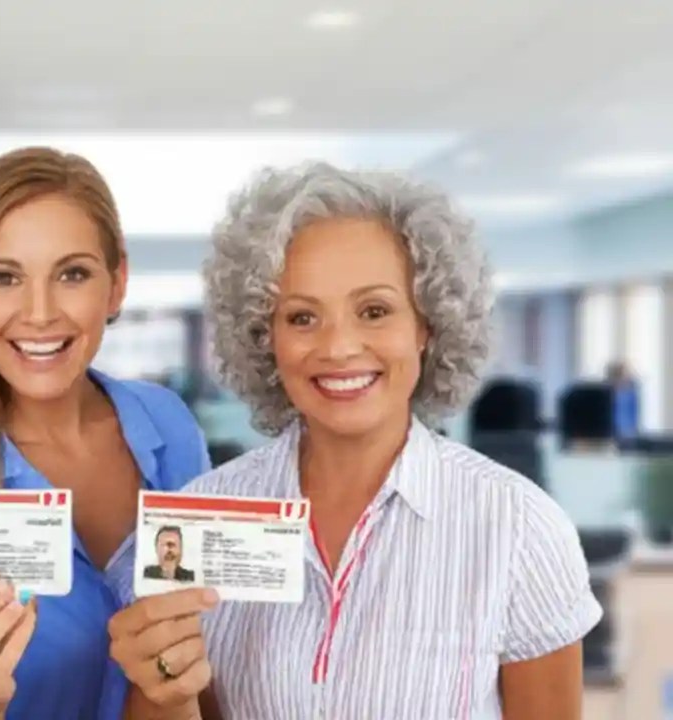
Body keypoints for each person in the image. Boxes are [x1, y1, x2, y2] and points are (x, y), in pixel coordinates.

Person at [108, 162, 602, 719]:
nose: (339, 346)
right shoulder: (195, 523)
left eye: (374, 311)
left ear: (427, 325)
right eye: (301, 317)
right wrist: (164, 689)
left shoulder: (519, 528)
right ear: (264, 337)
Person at [0, 147, 211, 720]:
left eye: (72, 274)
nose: (40, 312)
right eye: (4, 278)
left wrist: (172, 682)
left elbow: (197, 680)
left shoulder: (168, 426)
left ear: (117, 283)